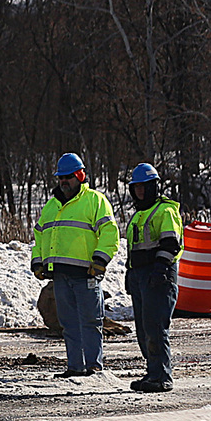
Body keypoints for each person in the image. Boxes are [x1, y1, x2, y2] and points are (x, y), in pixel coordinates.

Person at [31, 153, 119, 378]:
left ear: (80, 176)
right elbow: (40, 235)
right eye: (61, 177)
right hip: (60, 275)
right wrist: (38, 261)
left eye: (68, 177)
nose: (64, 181)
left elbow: (110, 233)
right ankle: (75, 366)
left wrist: (100, 260)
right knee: (68, 323)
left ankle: (93, 366)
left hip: (86, 274)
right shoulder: (51, 206)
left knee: (90, 320)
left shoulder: (95, 201)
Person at [124, 163, 183, 393]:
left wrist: (160, 268)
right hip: (141, 276)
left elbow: (171, 243)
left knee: (155, 327)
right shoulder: (139, 214)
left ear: (153, 187)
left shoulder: (165, 211)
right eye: (136, 187)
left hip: (159, 275)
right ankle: (153, 372)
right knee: (143, 329)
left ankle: (162, 376)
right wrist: (130, 273)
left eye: (144, 187)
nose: (140, 191)